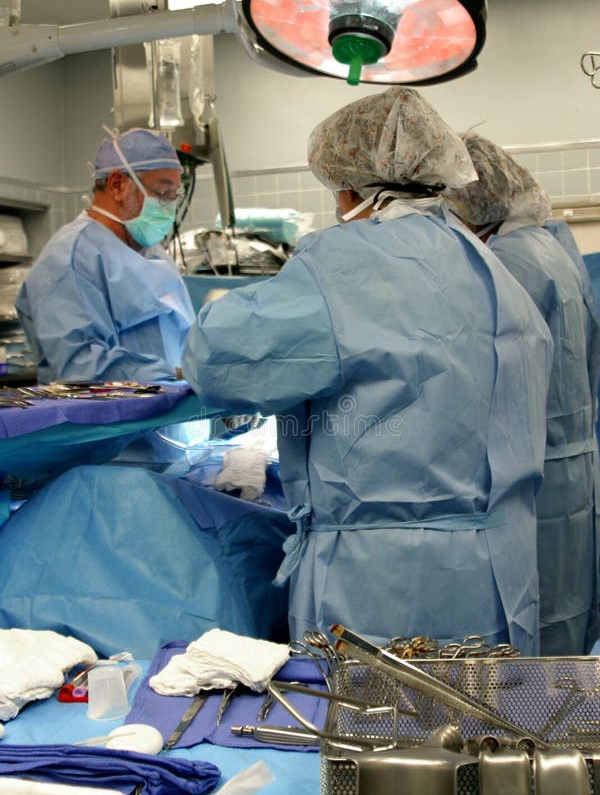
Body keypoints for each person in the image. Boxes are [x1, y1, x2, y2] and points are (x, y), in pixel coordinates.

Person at [182, 87, 553, 654]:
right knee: (482, 732)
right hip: (496, 570)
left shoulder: (347, 262)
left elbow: (217, 362)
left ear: (351, 186)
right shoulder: (490, 265)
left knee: (371, 730)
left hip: (383, 583)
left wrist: (216, 307)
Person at [444, 133, 599, 655]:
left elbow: (481, 379)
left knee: (538, 644)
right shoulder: (549, 248)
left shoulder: (509, 263)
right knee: (566, 621)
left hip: (536, 478)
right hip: (568, 470)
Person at [16, 128, 195, 383]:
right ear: (117, 185)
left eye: (174, 195)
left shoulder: (155, 256)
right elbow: (82, 367)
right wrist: (177, 377)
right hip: (114, 421)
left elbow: (185, 343)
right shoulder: (71, 259)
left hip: (176, 419)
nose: (169, 207)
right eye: (162, 193)